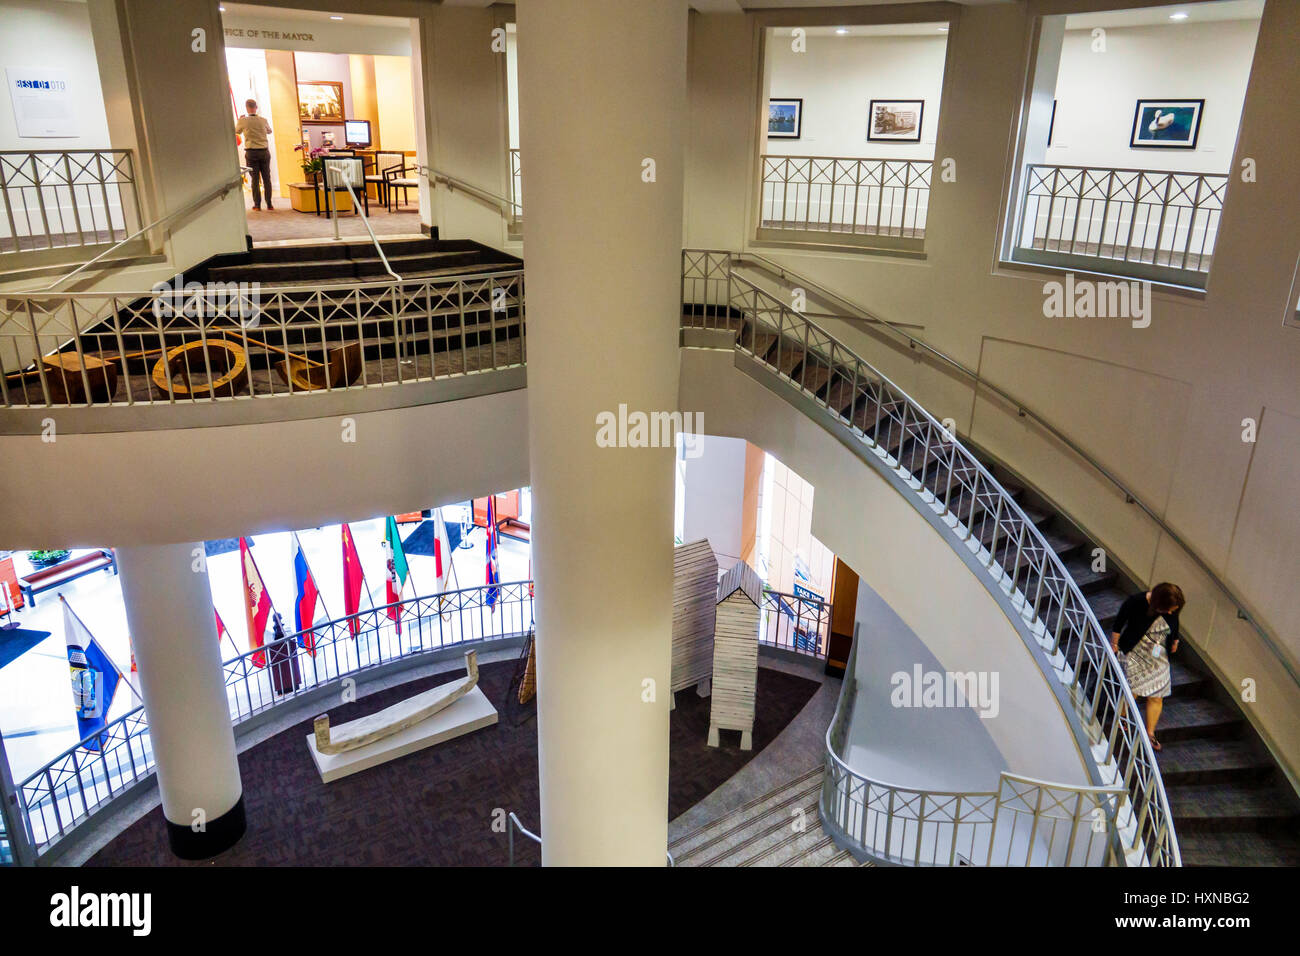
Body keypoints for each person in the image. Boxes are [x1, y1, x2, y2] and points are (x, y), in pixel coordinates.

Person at [1111, 582, 1185, 752]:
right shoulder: (1136, 601)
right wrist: (1114, 644)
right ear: (1158, 604)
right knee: (1134, 690)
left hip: (1158, 654)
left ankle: (1150, 732)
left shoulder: (1172, 606)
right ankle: (1121, 716)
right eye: (1168, 609)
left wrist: (1175, 640)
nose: (1170, 612)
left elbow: (1174, 622)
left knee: (1157, 695)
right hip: (1135, 649)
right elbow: (1119, 622)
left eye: (1173, 609)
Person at [234, 99, 274, 210]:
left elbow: (236, 131)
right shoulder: (263, 120)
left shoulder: (243, 121)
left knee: (255, 180)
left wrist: (239, 120)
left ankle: (257, 205)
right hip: (264, 151)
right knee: (267, 178)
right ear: (256, 107)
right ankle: (269, 204)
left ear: (247, 108)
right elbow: (269, 131)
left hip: (251, 152)